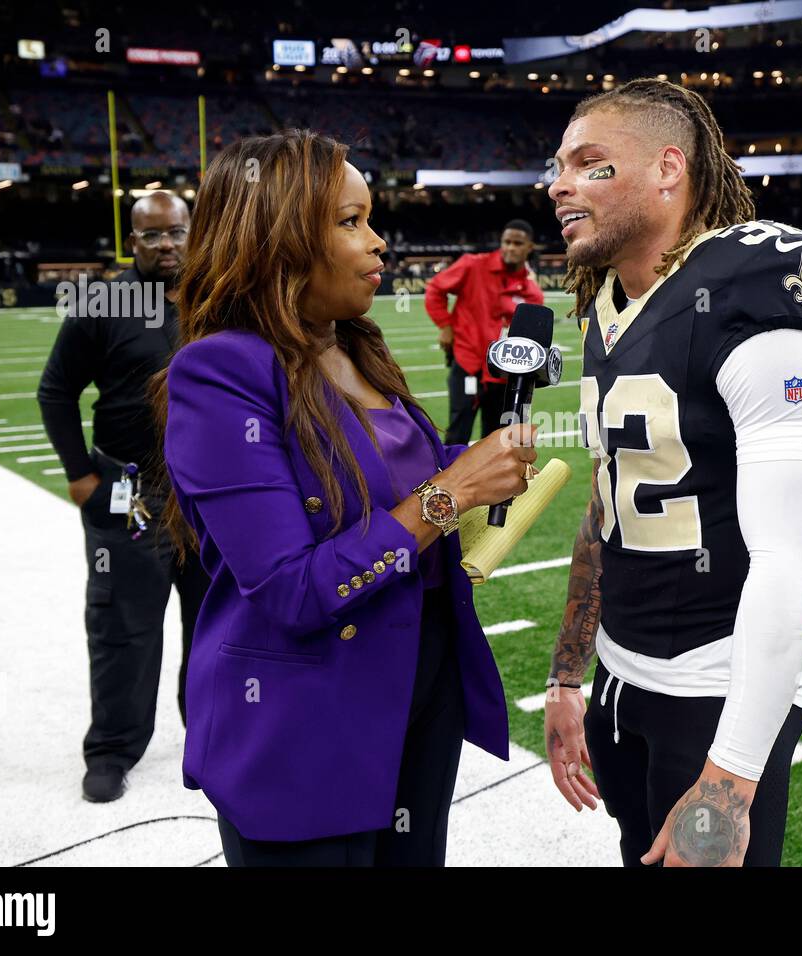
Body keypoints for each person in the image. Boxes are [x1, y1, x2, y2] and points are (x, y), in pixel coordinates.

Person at [154, 130, 535, 867]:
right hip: (308, 722)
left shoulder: (352, 341)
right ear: (279, 239)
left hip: (417, 691)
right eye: (350, 221)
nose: (379, 242)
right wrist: (449, 495)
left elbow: (382, 482)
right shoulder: (221, 371)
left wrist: (476, 464)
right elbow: (293, 591)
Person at [543, 79, 802, 867]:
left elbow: (787, 559)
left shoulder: (752, 290)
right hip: (620, 674)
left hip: (714, 687)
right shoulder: (610, 298)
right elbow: (608, 502)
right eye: (558, 165)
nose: (559, 183)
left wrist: (730, 778)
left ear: (668, 169)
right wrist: (569, 676)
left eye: (590, 163)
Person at [37, 191, 210, 804]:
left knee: (214, 622)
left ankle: (209, 735)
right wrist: (80, 473)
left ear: (194, 232)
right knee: (123, 627)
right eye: (152, 237)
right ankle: (112, 748)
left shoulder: (217, 293)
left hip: (210, 495)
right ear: (131, 241)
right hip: (128, 491)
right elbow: (55, 390)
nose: (167, 246)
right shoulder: (104, 301)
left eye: (176, 233)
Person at [425, 220, 545, 445]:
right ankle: (451, 478)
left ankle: (488, 480)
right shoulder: (473, 265)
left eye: (517, 243)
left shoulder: (532, 294)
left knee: (493, 437)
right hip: (467, 364)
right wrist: (446, 326)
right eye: (506, 242)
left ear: (529, 247)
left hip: (501, 375)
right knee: (458, 428)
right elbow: (435, 289)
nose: (510, 247)